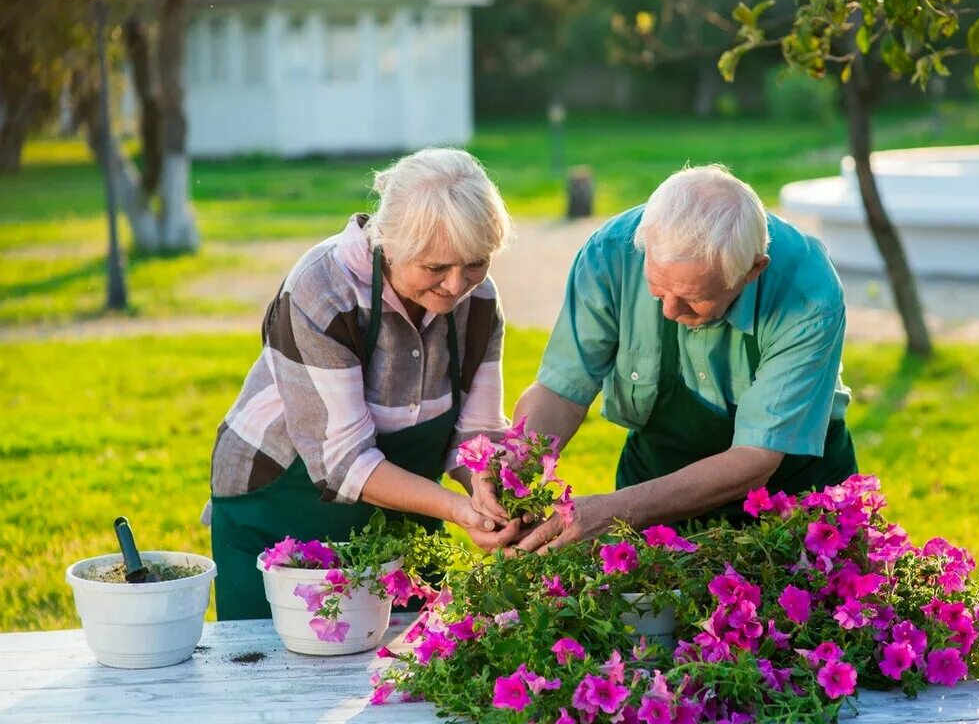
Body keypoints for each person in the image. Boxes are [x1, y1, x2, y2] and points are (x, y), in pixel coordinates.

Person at [470, 164, 856, 552]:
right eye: (658, 289)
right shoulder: (612, 253)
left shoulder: (807, 292)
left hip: (790, 499)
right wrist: (513, 467)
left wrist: (615, 510)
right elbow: (561, 389)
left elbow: (756, 457)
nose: (670, 311)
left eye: (694, 298)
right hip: (656, 483)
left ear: (753, 270)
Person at [205, 148, 520, 620]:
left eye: (475, 263)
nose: (456, 286)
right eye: (435, 268)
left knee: (409, 672)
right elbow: (344, 461)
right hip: (278, 507)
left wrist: (485, 490)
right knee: (268, 673)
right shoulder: (323, 289)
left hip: (405, 511)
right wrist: (457, 510)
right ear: (388, 243)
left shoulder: (479, 301)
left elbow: (476, 435)